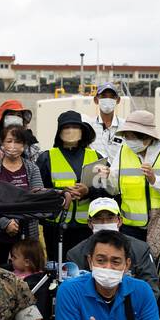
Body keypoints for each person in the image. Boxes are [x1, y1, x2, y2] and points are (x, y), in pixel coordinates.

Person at [36, 109, 107, 259]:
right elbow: (39, 192)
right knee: (58, 267)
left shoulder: (96, 157)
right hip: (56, 226)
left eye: (75, 127)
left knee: (85, 266)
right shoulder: (46, 157)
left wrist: (88, 191)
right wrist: (62, 192)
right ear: (59, 132)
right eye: (66, 127)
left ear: (82, 131)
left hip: (87, 226)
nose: (71, 131)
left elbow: (106, 192)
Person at [106, 110, 160, 242]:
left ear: (146, 137)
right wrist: (106, 177)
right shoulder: (123, 151)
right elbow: (113, 189)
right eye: (126, 136)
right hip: (130, 228)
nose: (128, 141)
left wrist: (155, 180)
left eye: (131, 137)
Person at [67, 198, 160, 298]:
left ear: (119, 221)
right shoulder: (75, 254)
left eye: (110, 218)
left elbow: (151, 290)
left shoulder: (140, 249)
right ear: (90, 223)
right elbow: (74, 293)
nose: (104, 223)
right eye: (98, 218)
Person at [0, 125, 45, 264]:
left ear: (24, 145)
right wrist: (4, 223)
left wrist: (18, 220)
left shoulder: (32, 168)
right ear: (2, 143)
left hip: (27, 232)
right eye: (9, 141)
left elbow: (38, 199)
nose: (13, 146)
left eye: (17, 142)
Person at [89, 82, 123, 158]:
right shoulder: (89, 126)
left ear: (118, 100)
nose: (108, 99)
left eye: (112, 97)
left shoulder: (125, 126)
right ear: (96, 100)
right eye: (103, 96)